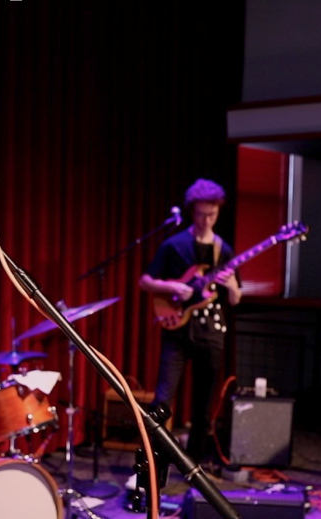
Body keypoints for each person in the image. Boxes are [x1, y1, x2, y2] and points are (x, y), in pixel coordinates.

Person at [138, 178, 241, 464]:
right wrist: (172, 288)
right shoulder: (174, 245)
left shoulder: (225, 250)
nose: (207, 220)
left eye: (212, 214)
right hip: (177, 331)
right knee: (162, 400)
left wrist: (232, 286)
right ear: (191, 212)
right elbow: (145, 281)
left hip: (211, 332)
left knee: (204, 407)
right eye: (201, 214)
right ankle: (152, 461)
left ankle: (195, 464)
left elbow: (234, 300)